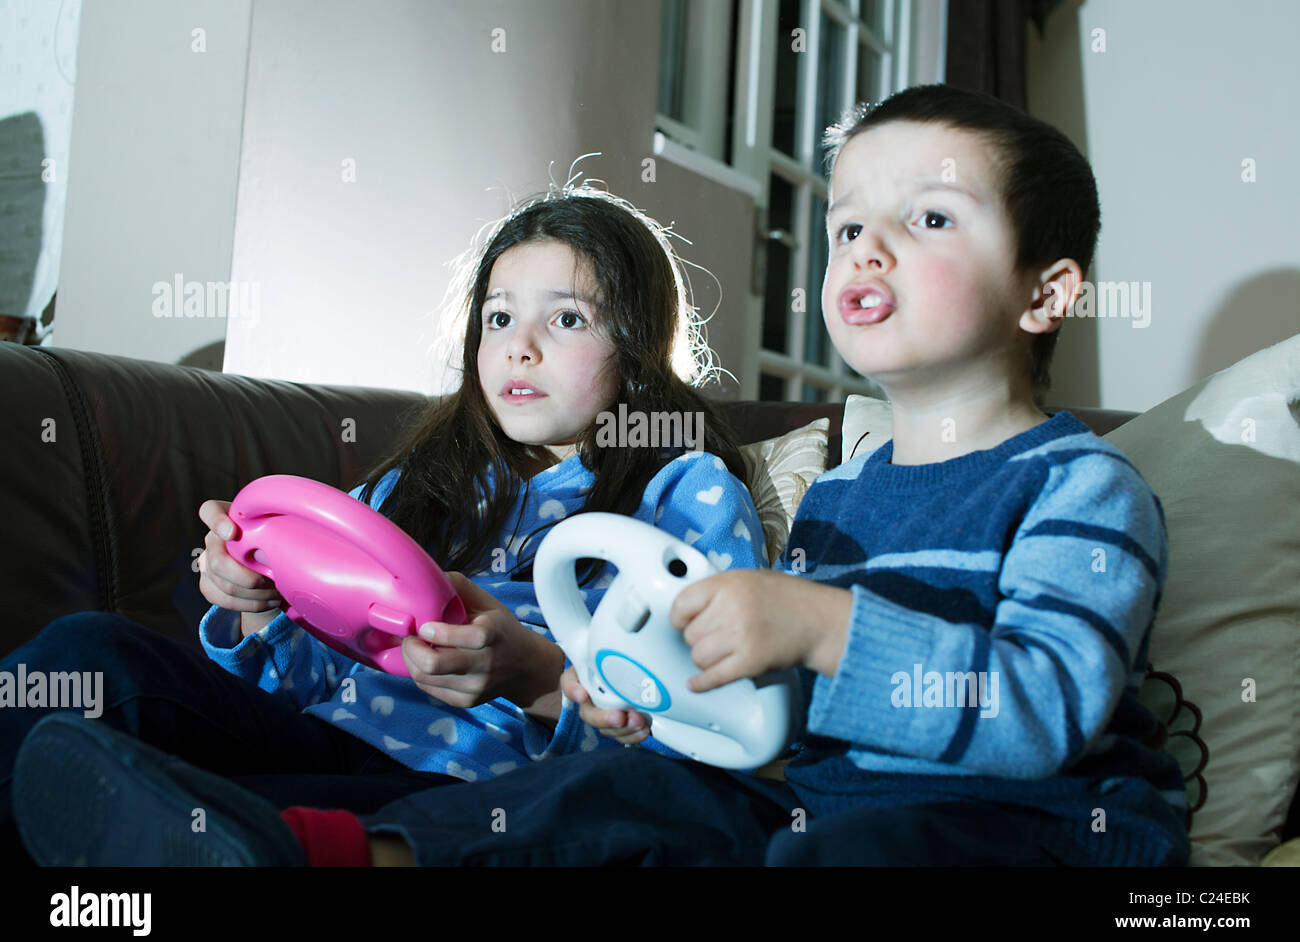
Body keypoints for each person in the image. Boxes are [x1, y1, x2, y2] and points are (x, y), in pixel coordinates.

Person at [16, 82, 1189, 867]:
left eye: (928, 218)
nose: (865, 247)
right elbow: (761, 728)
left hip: (1019, 822)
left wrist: (806, 635)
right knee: (643, 799)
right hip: (805, 801)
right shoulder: (843, 492)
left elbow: (1045, 702)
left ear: (1046, 291)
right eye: (843, 225)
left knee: (698, 821)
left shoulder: (1080, 486)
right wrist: (637, 698)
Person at [3, 186, 765, 866]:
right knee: (89, 651)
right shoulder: (421, 483)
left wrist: (532, 670)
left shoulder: (684, 490)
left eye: (566, 319)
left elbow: (698, 727)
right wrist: (262, 606)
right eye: (498, 317)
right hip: (321, 737)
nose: (519, 345)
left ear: (638, 356)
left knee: (243, 814)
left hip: (474, 792)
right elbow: (304, 678)